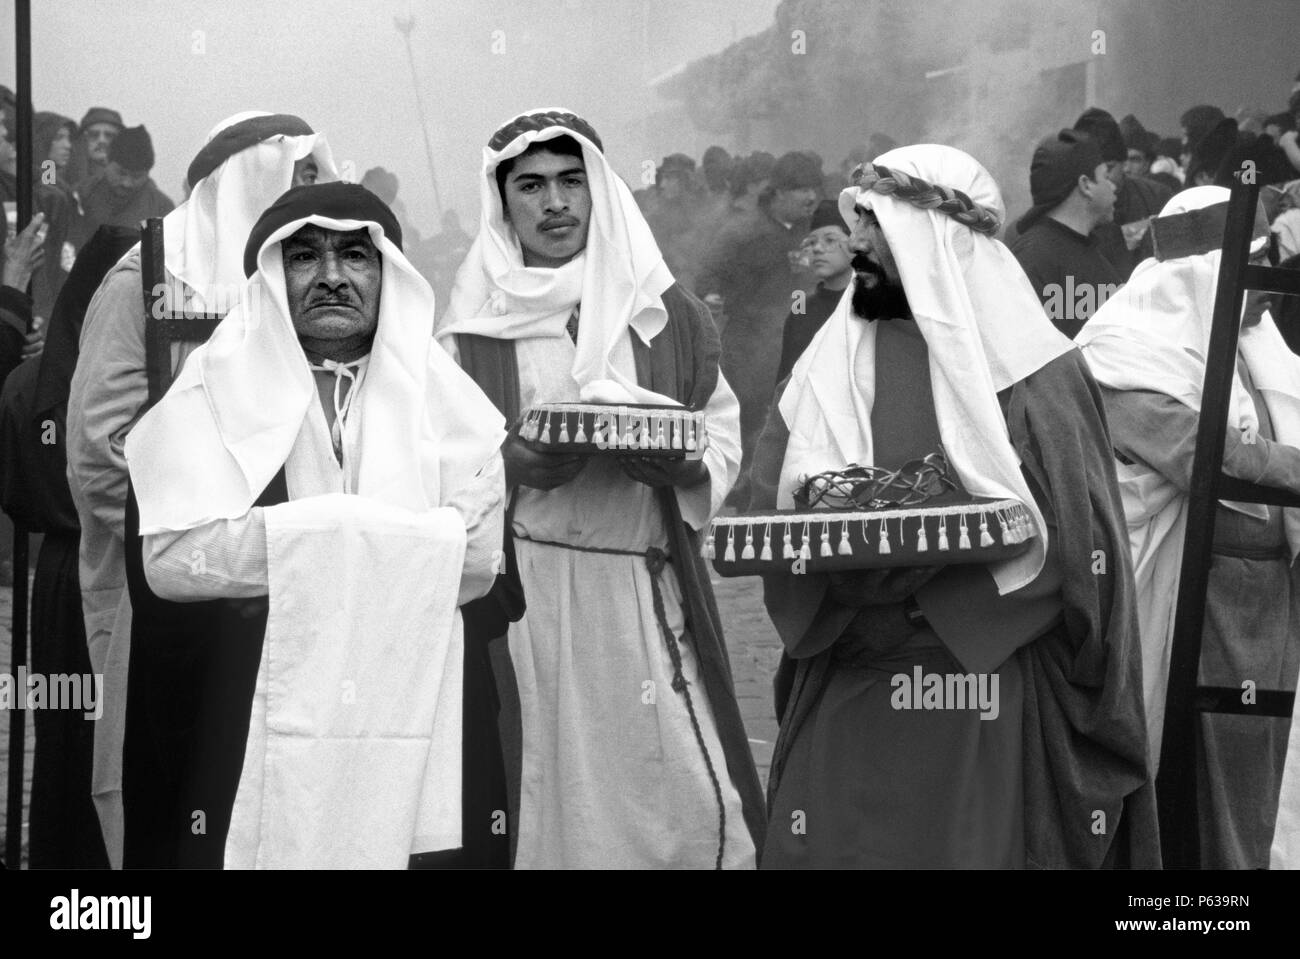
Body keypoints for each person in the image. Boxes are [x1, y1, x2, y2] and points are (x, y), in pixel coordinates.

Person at [751, 145, 1156, 869]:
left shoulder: (1038, 374)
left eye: (880, 225)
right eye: (860, 222)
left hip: (977, 705)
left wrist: (927, 578)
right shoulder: (825, 364)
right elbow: (765, 504)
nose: (860, 243)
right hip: (849, 693)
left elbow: (1081, 547)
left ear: (940, 240)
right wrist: (842, 568)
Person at [115, 182, 505, 869]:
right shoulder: (212, 388)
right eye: (304, 256)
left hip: (420, 706)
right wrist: (359, 531)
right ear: (272, 276)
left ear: (389, 275)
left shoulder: (443, 397)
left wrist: (291, 542)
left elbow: (476, 562)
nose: (330, 276)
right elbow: (174, 559)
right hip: (251, 703)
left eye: (355, 255)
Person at [437, 108, 764, 869]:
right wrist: (510, 466)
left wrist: (683, 467)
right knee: (546, 790)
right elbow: (438, 464)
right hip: (528, 592)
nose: (555, 203)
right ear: (503, 201)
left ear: (598, 189)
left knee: (681, 781)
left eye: (570, 181)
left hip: (642, 583)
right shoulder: (469, 329)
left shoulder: (665, 311)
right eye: (532, 186)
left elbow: (718, 433)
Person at [66, 110, 335, 868]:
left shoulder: (319, 289)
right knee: (170, 802)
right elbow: (98, 451)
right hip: (170, 603)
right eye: (296, 177)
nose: (310, 196)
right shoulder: (147, 278)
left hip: (292, 594)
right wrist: (219, 544)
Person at [1077, 186, 1300, 870]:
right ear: (1204, 274)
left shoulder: (1244, 339)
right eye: (1255, 271)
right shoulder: (1125, 354)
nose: (1269, 296)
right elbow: (1211, 456)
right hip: (1186, 613)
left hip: (1265, 619)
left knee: (1253, 793)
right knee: (1185, 798)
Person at [0, 224, 136, 868]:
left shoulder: (29, 384)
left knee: (65, 736)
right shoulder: (139, 382)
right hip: (108, 566)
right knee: (109, 739)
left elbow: (14, 494)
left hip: (55, 577)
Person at [696, 150, 820, 505]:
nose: (810, 196)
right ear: (778, 192)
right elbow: (707, 273)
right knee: (749, 415)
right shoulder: (744, 231)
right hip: (748, 342)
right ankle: (738, 489)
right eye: (800, 189)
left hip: (792, 336)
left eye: (814, 187)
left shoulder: (811, 230)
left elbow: (801, 286)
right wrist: (712, 294)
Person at [1009, 129, 1122, 338]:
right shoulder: (1033, 257)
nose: (1113, 186)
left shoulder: (1096, 249)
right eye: (1106, 176)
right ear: (1086, 185)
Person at [775, 199, 852, 384]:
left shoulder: (875, 306)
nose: (817, 248)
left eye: (830, 240)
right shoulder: (801, 308)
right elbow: (786, 379)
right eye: (812, 242)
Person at [74, 125, 174, 243]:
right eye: (121, 173)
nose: (127, 183)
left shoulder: (161, 208)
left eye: (137, 176)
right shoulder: (82, 194)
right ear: (107, 162)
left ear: (147, 174)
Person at [70, 106, 124, 192]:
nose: (101, 140)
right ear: (82, 140)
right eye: (93, 135)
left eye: (109, 135)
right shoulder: (62, 181)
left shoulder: (136, 185)